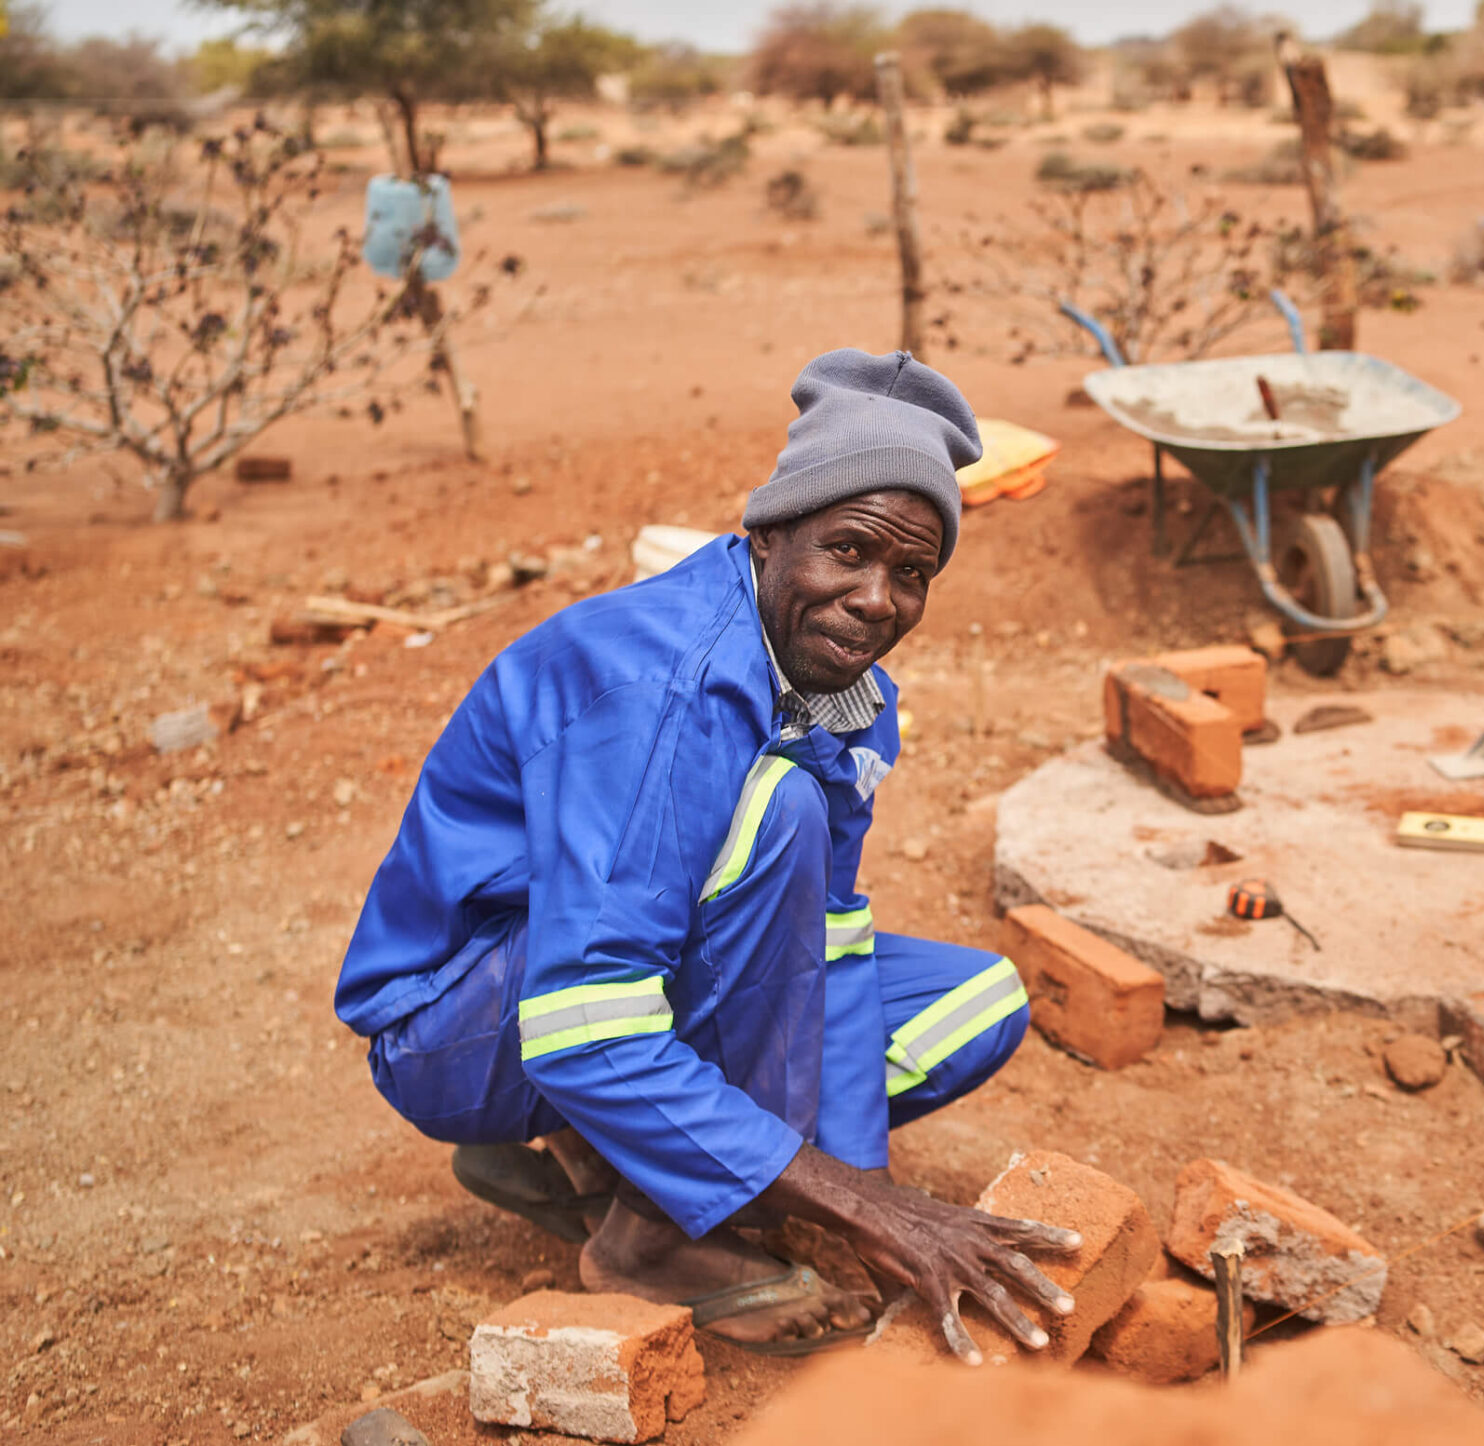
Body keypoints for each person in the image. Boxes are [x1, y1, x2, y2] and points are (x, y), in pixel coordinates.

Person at [334, 349, 1076, 1362]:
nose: (874, 600)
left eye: (911, 574)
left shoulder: (847, 698)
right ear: (768, 534)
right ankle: (646, 1242)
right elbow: (583, 1025)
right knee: (775, 815)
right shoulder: (663, 692)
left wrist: (858, 1188)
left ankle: (616, 1152)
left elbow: (830, 948)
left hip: (589, 984)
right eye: (847, 551)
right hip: (460, 1026)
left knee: (978, 1002)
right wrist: (862, 1209)